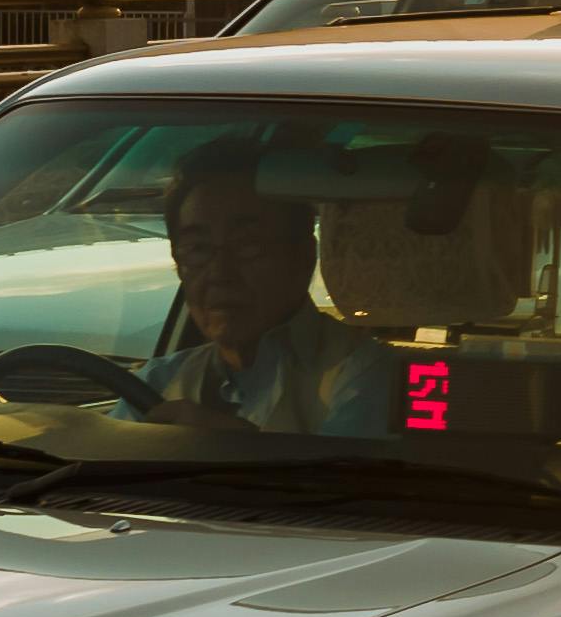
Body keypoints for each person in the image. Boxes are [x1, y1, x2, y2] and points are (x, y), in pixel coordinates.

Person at [161, 143, 393, 436]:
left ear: (303, 256)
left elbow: (349, 481)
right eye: (197, 249)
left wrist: (230, 446)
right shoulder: (160, 379)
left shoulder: (365, 373)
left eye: (248, 245)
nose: (220, 273)